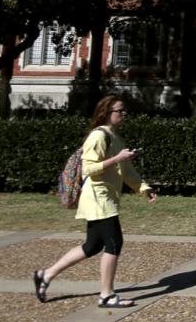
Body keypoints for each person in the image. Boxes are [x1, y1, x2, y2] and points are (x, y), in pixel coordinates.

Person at [34, 96, 156, 308]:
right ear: (107, 113)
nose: (124, 115)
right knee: (114, 242)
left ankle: (46, 274)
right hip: (97, 197)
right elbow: (88, 168)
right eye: (120, 111)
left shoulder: (116, 137)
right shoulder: (98, 136)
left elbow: (126, 171)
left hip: (106, 197)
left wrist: (144, 188)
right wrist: (117, 158)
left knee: (92, 246)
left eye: (125, 111)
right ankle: (107, 295)